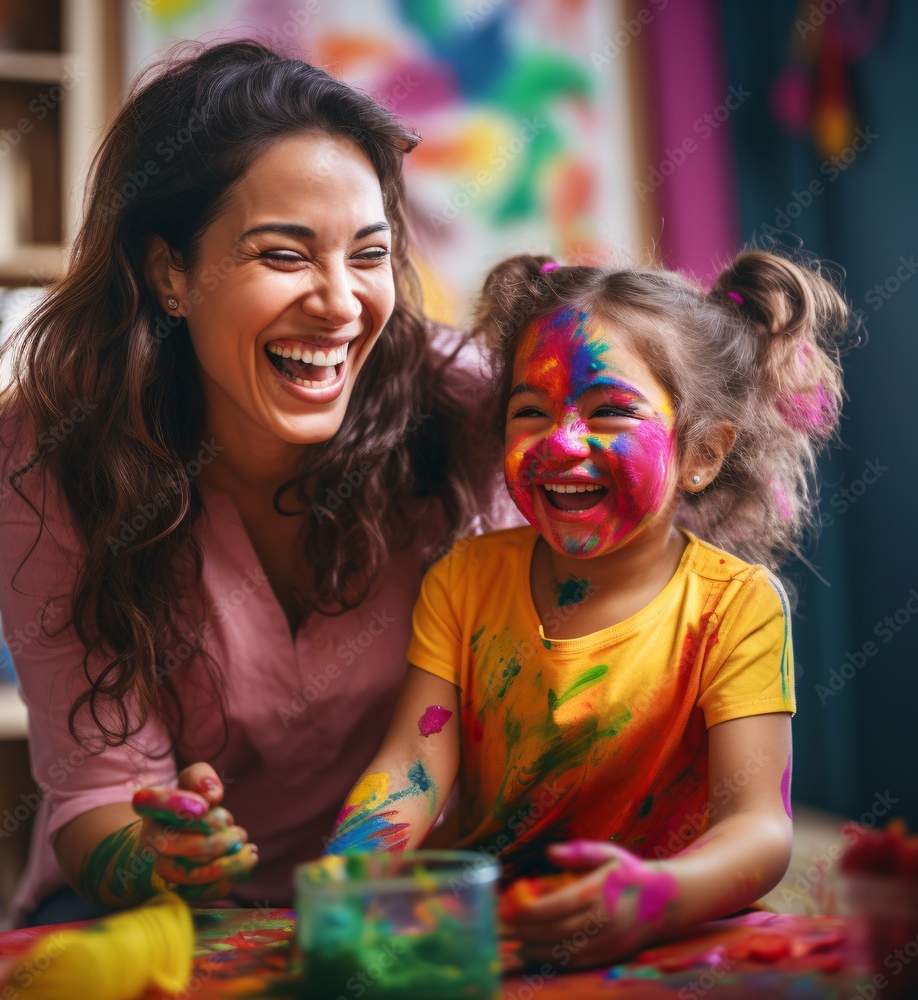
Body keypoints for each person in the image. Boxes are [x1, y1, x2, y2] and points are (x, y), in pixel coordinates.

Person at [0, 40, 510, 925]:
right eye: (284, 254)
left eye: (368, 254)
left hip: (411, 893)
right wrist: (158, 855)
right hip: (154, 914)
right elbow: (96, 793)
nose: (341, 303)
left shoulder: (466, 408)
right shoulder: (52, 457)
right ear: (170, 274)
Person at [326, 250, 854, 967]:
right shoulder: (464, 580)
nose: (562, 442)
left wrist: (653, 897)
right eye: (531, 411)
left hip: (671, 942)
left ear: (701, 451)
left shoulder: (736, 608)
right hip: (496, 935)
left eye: (610, 411)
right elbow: (413, 765)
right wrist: (347, 877)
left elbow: (758, 829)